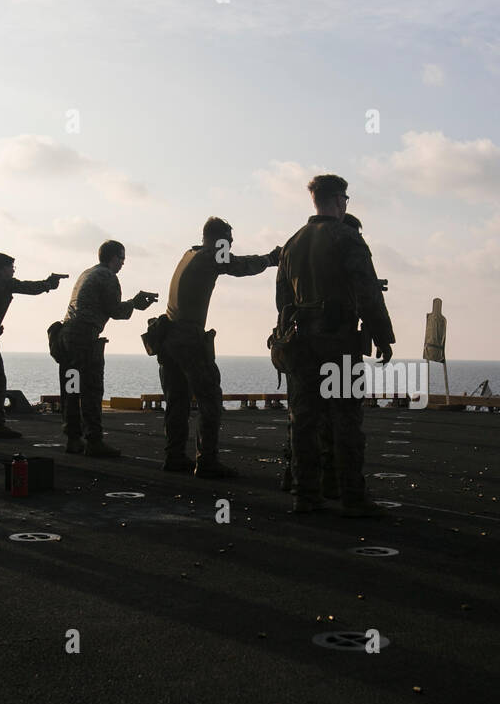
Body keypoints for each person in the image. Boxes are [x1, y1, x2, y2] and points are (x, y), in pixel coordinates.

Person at [276, 176, 394, 516]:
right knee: (345, 419)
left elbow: (282, 300)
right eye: (345, 198)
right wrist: (382, 335)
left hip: (300, 343)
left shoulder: (293, 243)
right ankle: (353, 497)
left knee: (304, 421)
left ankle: (305, 495)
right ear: (339, 200)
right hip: (338, 342)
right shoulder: (347, 238)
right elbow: (368, 292)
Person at [156, 218, 279, 477]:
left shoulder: (190, 254)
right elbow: (240, 265)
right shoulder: (211, 256)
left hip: (168, 338)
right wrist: (270, 259)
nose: (231, 245)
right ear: (219, 239)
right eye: (229, 240)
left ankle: (174, 456)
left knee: (177, 401)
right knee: (210, 399)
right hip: (188, 338)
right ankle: (207, 461)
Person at [52, 240, 157, 456]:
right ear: (113, 258)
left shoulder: (87, 273)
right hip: (83, 339)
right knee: (91, 389)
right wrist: (135, 303)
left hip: (65, 336)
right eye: (121, 258)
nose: (123, 263)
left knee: (72, 390)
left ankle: (73, 439)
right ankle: (94, 441)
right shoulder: (107, 276)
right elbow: (115, 310)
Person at [0, 253, 61, 438]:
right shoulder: (3, 282)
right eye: (11, 267)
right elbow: (28, 287)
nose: (13, 271)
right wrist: (48, 284)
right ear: (4, 268)